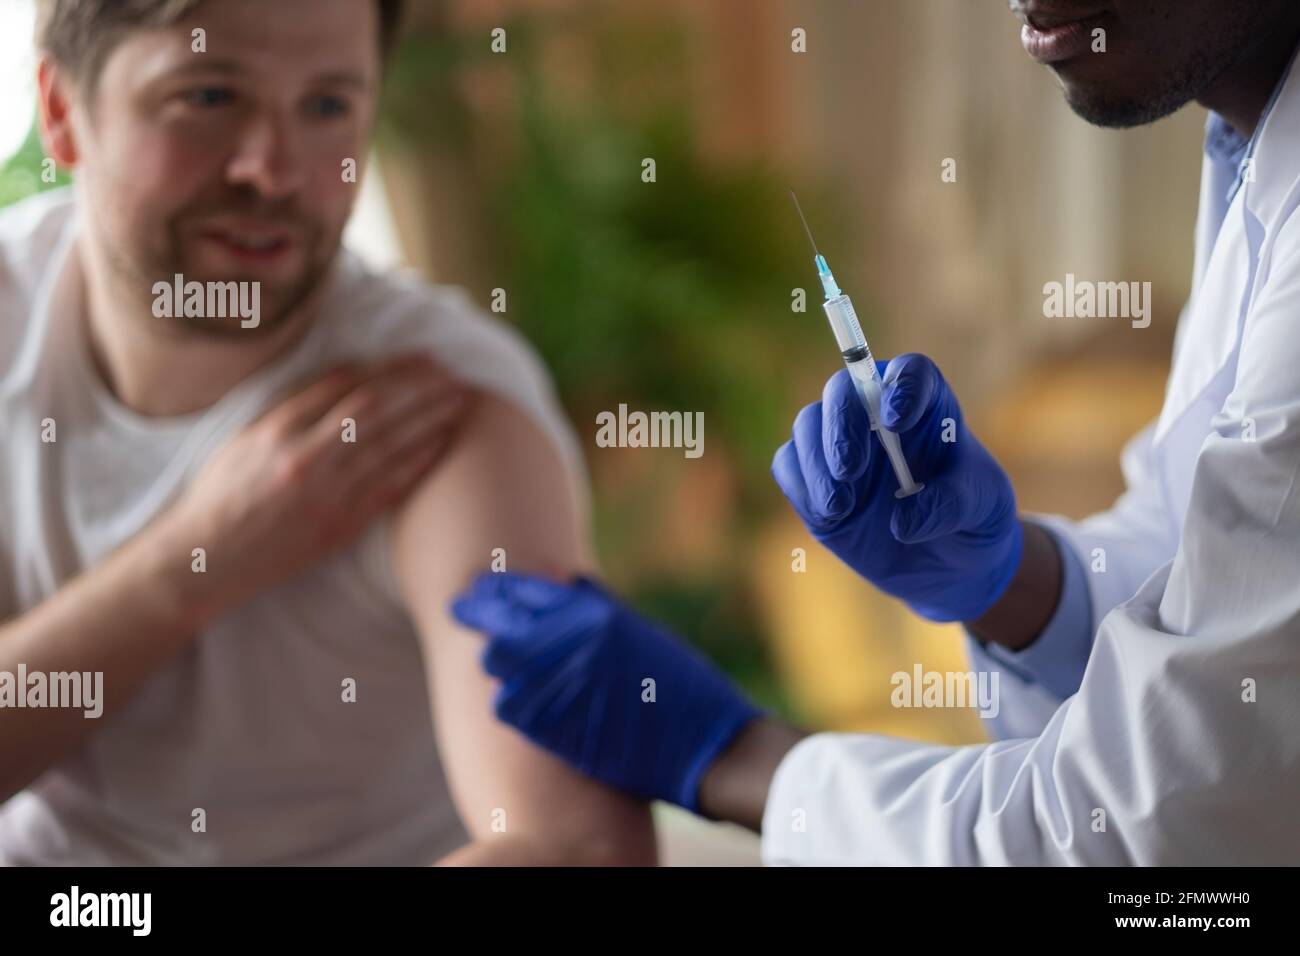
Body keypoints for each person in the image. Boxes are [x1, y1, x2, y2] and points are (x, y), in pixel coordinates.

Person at [452, 0, 1300, 864]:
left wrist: (733, 758)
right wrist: (1018, 588)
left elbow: (1136, 841)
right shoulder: (1251, 149)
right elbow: (1202, 579)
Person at [0, 0, 656, 866]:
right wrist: (192, 565)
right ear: (60, 112)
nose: (272, 170)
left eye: (326, 107)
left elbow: (572, 846)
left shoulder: (438, 409)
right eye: (208, 96)